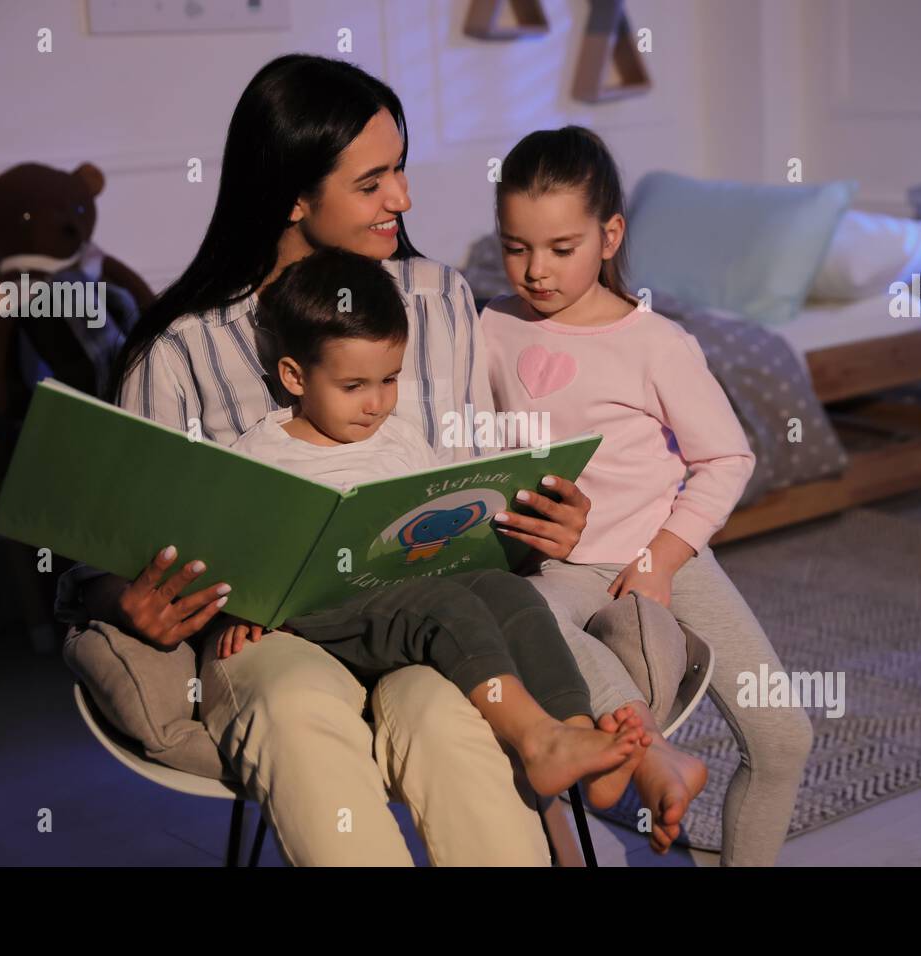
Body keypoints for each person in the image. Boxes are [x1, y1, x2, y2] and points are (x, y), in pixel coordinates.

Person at [55, 54, 596, 866]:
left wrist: (534, 524)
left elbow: (468, 485)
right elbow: (99, 550)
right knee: (297, 707)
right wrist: (128, 597)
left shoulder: (438, 299)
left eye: (401, 170)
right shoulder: (182, 350)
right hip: (269, 637)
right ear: (295, 196)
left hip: (428, 615)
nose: (404, 200)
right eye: (373, 181)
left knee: (443, 716)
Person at [480, 126, 815, 862]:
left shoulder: (657, 342)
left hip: (667, 561)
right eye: (515, 246)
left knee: (785, 738)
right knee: (515, 617)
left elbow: (727, 458)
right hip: (557, 572)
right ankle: (644, 750)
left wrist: (663, 559)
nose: (536, 271)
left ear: (610, 235)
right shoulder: (490, 328)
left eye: (561, 249)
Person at [215, 246, 650, 801]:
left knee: (504, 590)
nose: (376, 404)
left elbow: (428, 513)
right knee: (447, 607)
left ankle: (579, 734)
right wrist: (245, 607)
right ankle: (535, 739)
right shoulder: (265, 452)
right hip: (324, 614)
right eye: (353, 387)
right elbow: (236, 543)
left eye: (389, 379)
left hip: (407, 591)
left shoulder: (397, 436)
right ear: (295, 376)